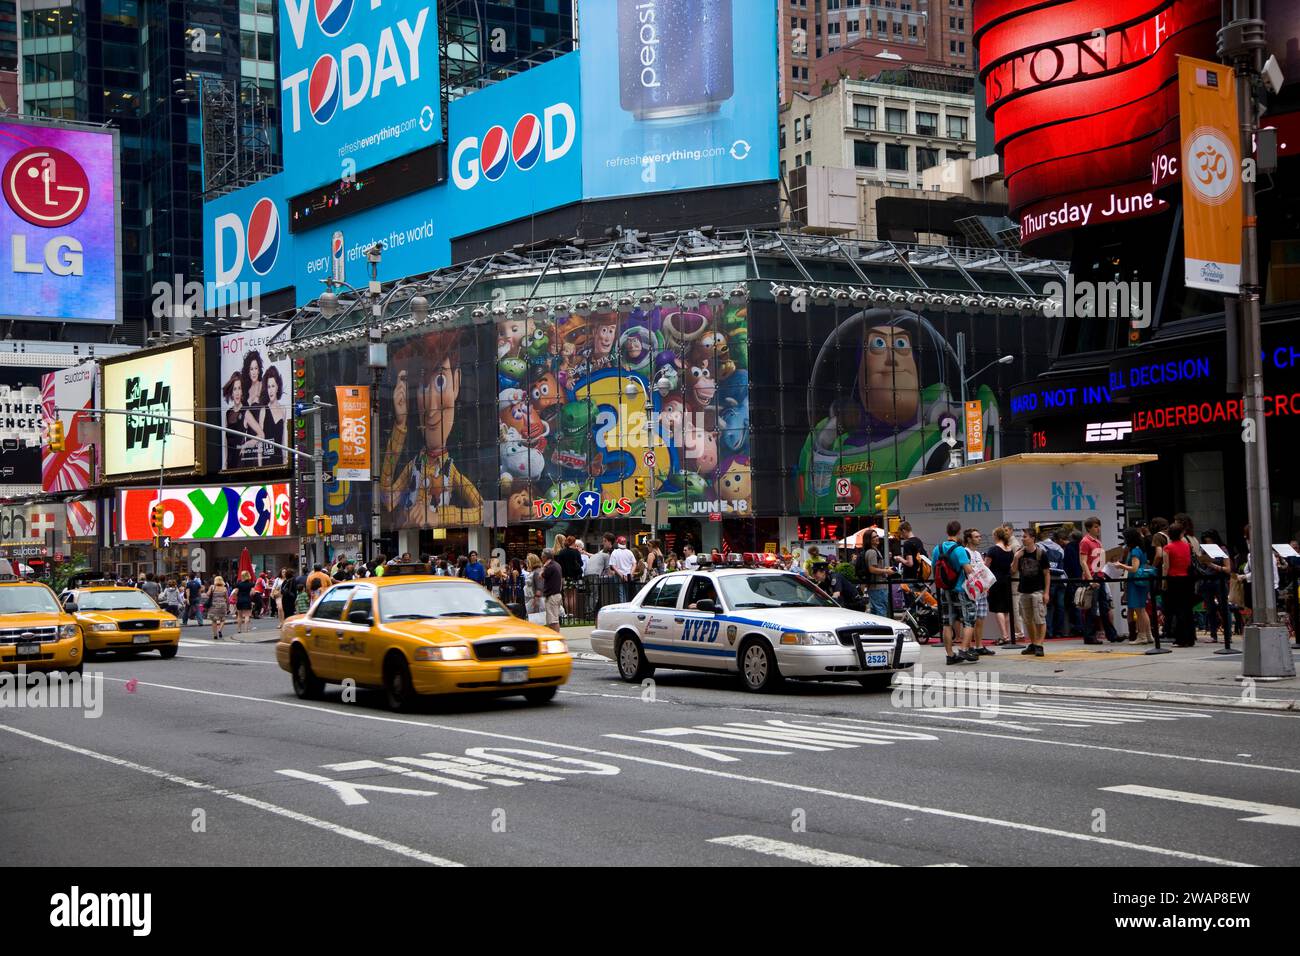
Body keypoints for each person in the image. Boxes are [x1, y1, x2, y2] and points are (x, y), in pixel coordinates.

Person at [932, 520, 980, 665]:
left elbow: (934, 567)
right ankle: (964, 649)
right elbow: (968, 570)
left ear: (947, 532)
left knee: (947, 623)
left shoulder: (937, 549)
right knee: (969, 620)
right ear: (959, 532)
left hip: (944, 590)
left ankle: (950, 655)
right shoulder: (960, 550)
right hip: (960, 590)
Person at [1080, 517, 1118, 643]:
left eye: (1098, 526)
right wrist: (1090, 580)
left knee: (1104, 607)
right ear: (1089, 528)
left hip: (1100, 575)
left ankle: (1112, 635)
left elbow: (1098, 561)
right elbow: (1083, 562)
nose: (1098, 529)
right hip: (1093, 577)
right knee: (1091, 607)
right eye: (1095, 527)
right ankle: (1090, 636)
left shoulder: (1098, 542)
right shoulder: (1085, 541)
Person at [1013, 526, 1049, 656]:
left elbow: (1046, 574)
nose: (1022, 539)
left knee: (1040, 619)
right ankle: (1033, 644)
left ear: (1032, 538)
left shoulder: (1041, 553)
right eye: (1022, 536)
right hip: (1023, 590)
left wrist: (1046, 592)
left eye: (1025, 536)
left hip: (1037, 590)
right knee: (1027, 620)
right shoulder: (1020, 552)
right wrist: (1016, 558)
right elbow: (1013, 570)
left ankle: (1039, 644)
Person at [1162, 522, 1196, 647]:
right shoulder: (1187, 545)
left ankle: (1180, 638)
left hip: (1173, 579)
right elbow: (1188, 563)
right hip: (1186, 579)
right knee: (1187, 609)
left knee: (1177, 610)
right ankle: (1190, 637)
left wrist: (1164, 582)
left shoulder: (1168, 548)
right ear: (1181, 533)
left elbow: (1166, 567)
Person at [1119, 527, 1154, 645]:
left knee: (1139, 610)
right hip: (1142, 581)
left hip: (1135, 582)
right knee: (1142, 609)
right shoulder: (1141, 549)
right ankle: (1148, 635)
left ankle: (1142, 636)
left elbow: (1134, 568)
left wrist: (1121, 565)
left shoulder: (1134, 551)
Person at [1198, 530, 1233, 644]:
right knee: (1210, 609)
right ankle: (1213, 635)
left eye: (1210, 541)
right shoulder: (1204, 550)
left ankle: (1228, 635)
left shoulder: (1222, 549)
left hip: (1219, 580)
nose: (1208, 543)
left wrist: (1212, 565)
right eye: (1206, 541)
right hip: (1207, 581)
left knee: (1224, 608)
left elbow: (1228, 569)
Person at [984, 526, 1015, 645]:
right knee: (1006, 610)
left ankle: (1005, 636)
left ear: (996, 536)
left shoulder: (993, 550)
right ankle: (1006, 634)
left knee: (998, 609)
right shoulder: (1009, 549)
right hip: (1006, 581)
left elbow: (985, 567)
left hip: (995, 582)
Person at [964, 529, 993, 655]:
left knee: (980, 619)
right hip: (971, 590)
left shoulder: (977, 554)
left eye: (980, 536)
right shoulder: (966, 552)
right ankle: (968, 646)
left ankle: (979, 646)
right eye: (976, 536)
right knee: (970, 620)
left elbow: (982, 569)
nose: (979, 538)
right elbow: (967, 571)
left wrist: (987, 585)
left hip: (981, 590)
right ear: (969, 539)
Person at [860, 529, 890, 616]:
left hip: (876, 587)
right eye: (874, 537)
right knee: (881, 611)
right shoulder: (872, 552)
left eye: (877, 536)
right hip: (878, 587)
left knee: (875, 611)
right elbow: (872, 569)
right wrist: (887, 571)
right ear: (869, 540)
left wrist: (885, 569)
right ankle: (882, 629)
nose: (877, 538)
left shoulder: (873, 551)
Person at [541, 548, 564, 632]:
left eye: (542, 556)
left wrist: (544, 566)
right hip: (557, 594)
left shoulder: (550, 567)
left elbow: (541, 575)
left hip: (552, 596)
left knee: (553, 621)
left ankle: (557, 638)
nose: (541, 558)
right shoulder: (557, 565)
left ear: (545, 557)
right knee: (553, 619)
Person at [608, 535, 636, 602]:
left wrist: (622, 575)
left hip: (618, 576)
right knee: (629, 594)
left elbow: (613, 566)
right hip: (628, 576)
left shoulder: (614, 552)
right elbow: (634, 564)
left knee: (621, 593)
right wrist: (630, 574)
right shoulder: (630, 552)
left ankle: (623, 608)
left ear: (618, 543)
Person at [207, 575, 230, 641]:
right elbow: (227, 599)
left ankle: (215, 635)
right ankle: (220, 630)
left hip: (214, 605)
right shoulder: (224, 588)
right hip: (222, 605)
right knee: (223, 619)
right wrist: (228, 607)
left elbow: (207, 594)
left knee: (214, 620)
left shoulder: (212, 587)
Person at [233, 570, 254, 634]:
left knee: (239, 616)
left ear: (242, 576)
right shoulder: (251, 584)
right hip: (247, 600)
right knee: (247, 616)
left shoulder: (238, 584)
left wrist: (236, 599)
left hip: (240, 600)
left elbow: (235, 593)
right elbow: (253, 593)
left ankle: (239, 629)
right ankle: (246, 630)